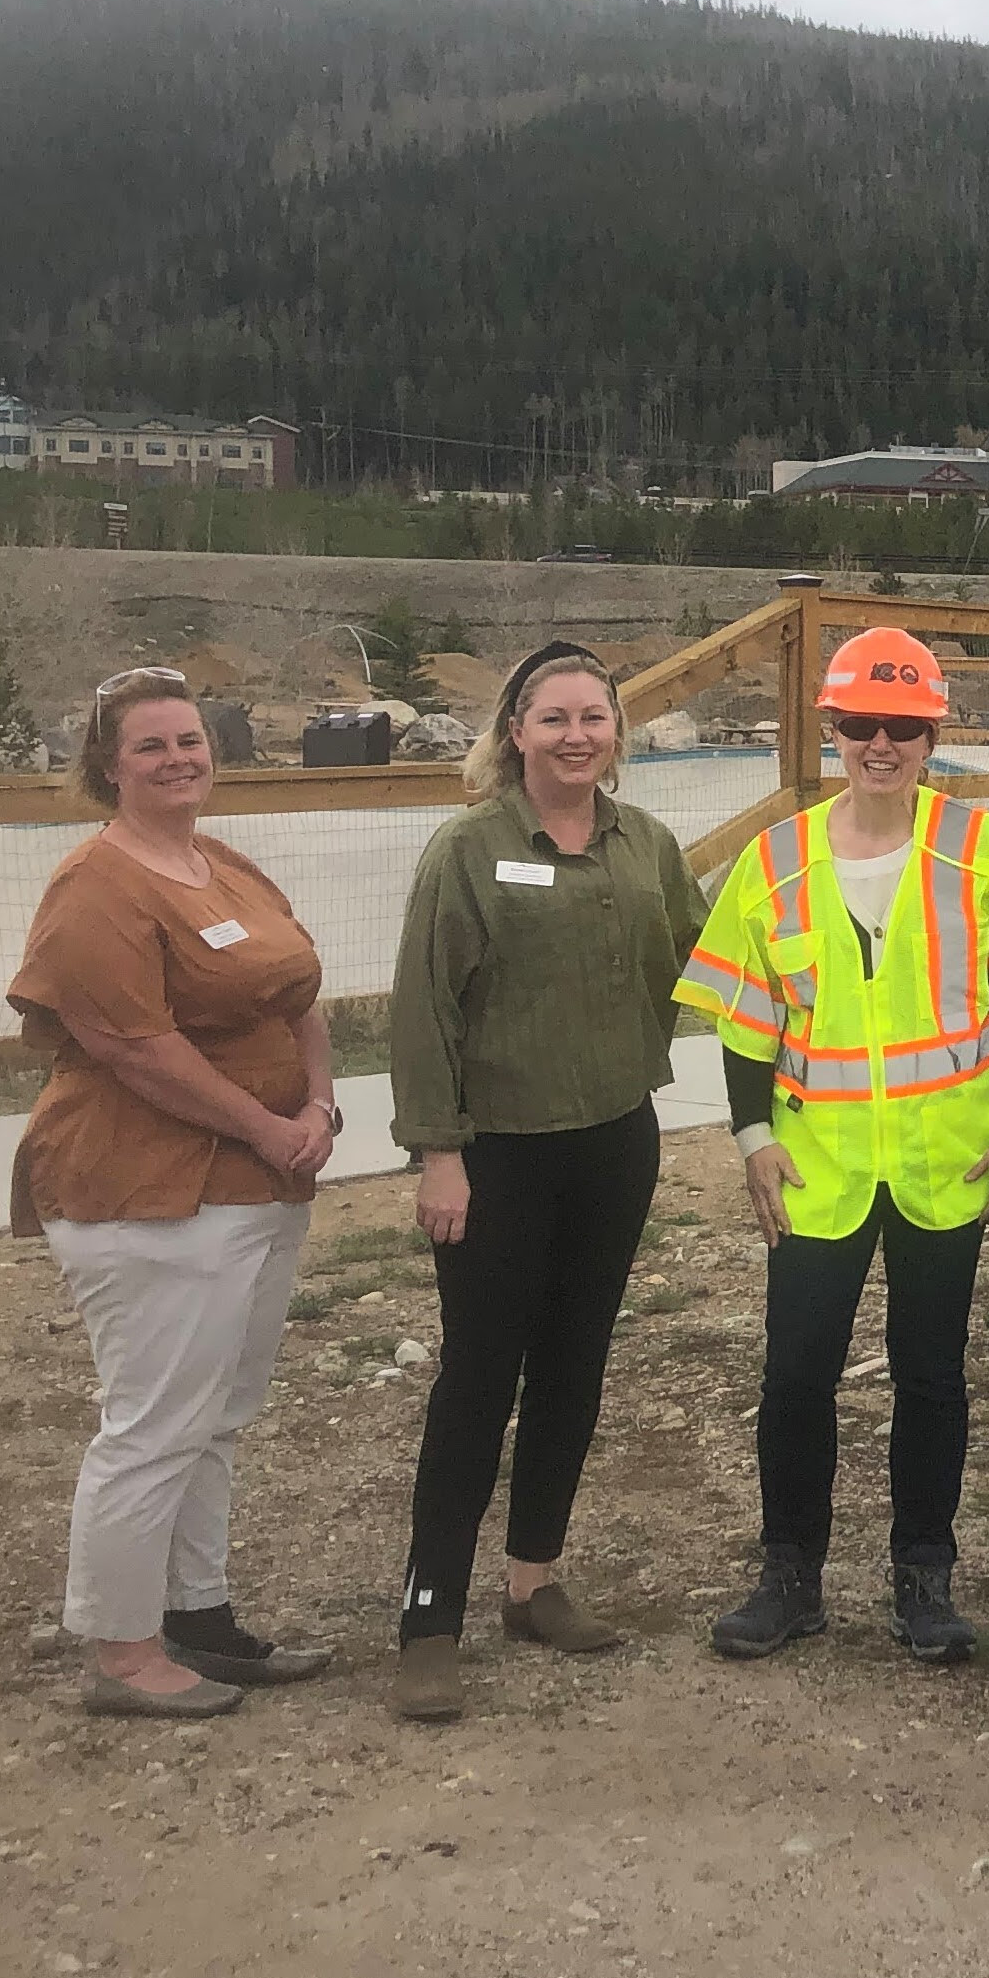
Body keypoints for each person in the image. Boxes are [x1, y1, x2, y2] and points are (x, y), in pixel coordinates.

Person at [676, 626, 989, 1666]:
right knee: (796, 1375)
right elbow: (745, 1013)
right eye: (862, 723)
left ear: (933, 733)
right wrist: (753, 1132)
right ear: (832, 730)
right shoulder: (777, 858)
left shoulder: (983, 845)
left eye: (904, 726)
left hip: (946, 1159)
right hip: (815, 1166)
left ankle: (923, 1575)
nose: (882, 743)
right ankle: (789, 1574)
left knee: (932, 1373)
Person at [381, 642, 707, 1722]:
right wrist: (439, 1152)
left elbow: (709, 959)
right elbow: (424, 1007)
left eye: (595, 718)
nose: (577, 736)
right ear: (514, 732)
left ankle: (533, 1579)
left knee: (574, 1366)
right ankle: (430, 1616)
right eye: (554, 718)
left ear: (618, 732)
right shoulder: (469, 850)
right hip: (499, 1155)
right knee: (478, 1378)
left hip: (615, 1140)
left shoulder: (646, 843)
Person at [8, 667, 337, 1718]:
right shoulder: (96, 886)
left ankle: (199, 1612)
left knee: (219, 1413)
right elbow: (133, 1047)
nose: (178, 759)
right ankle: (121, 1646)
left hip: (263, 1181)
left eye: (190, 740)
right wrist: (265, 1125)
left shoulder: (221, 863)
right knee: (153, 1423)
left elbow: (297, 991)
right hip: (148, 1191)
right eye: (151, 746)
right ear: (107, 765)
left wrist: (320, 1107)